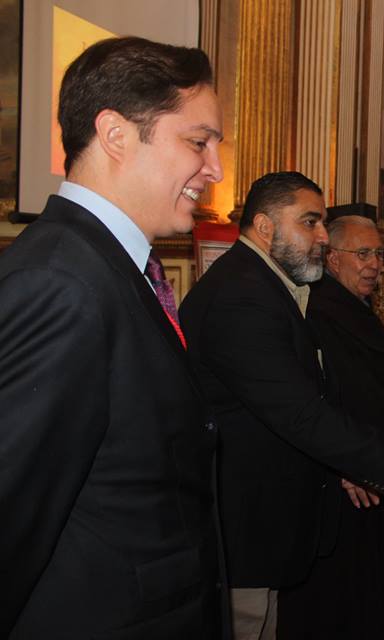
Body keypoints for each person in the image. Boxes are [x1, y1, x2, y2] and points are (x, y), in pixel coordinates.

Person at [179, 172, 384, 639]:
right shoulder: (242, 295)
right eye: (310, 222)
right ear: (264, 226)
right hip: (247, 525)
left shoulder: (267, 286)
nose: (323, 237)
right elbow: (299, 413)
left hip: (270, 524)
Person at [0, 37, 226, 637]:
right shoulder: (61, 282)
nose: (216, 170)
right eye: (198, 142)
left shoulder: (103, 266)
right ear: (116, 134)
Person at [279, 215, 384, 638]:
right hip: (348, 476)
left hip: (376, 465)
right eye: (363, 254)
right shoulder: (319, 309)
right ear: (332, 258)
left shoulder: (356, 307)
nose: (375, 264)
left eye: (379, 254)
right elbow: (341, 390)